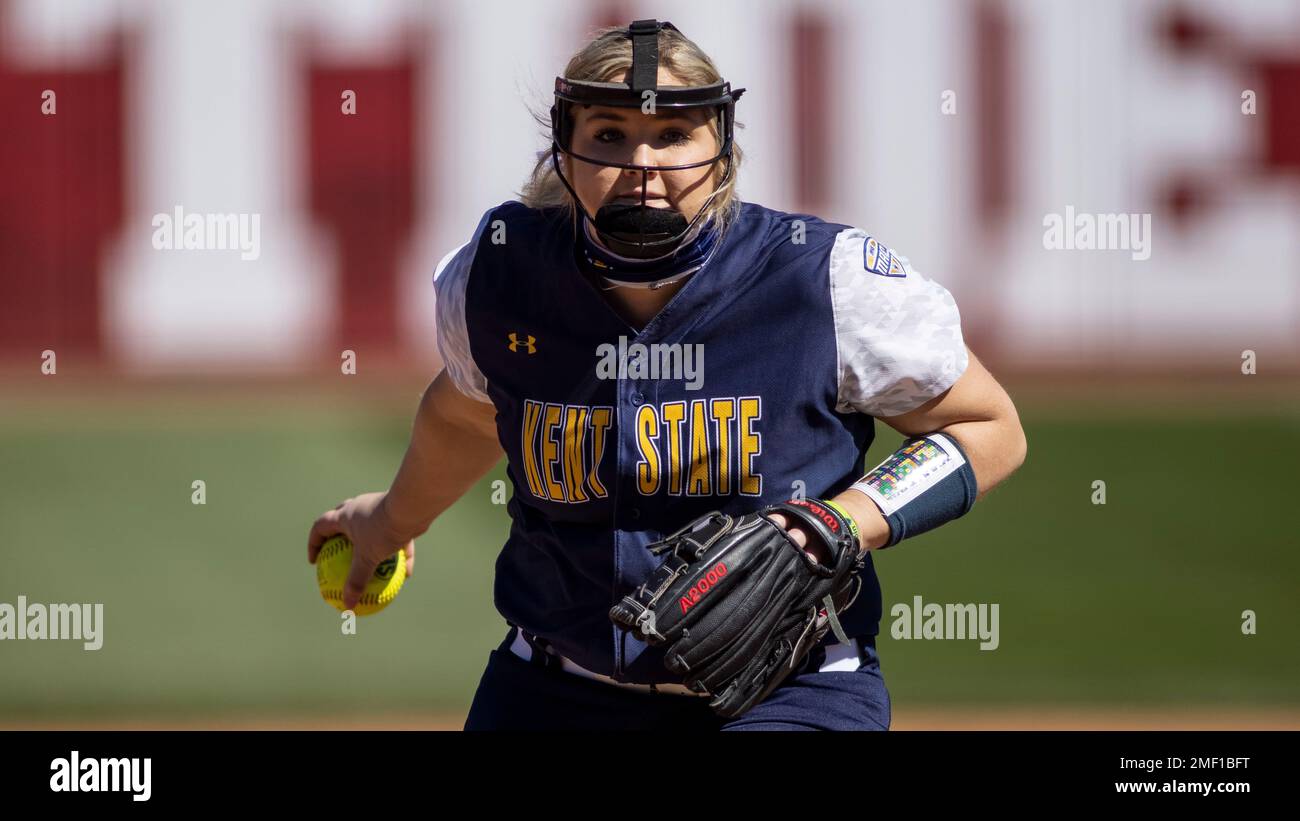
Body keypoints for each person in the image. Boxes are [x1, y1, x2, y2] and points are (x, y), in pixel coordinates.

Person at [307, 19, 1027, 731]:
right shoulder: (499, 277)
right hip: (549, 689)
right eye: (609, 134)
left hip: (786, 693)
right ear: (566, 144)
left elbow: (988, 428)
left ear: (722, 148)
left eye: (674, 135)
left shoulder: (822, 283)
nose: (642, 162)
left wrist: (832, 525)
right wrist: (388, 521)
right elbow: (468, 411)